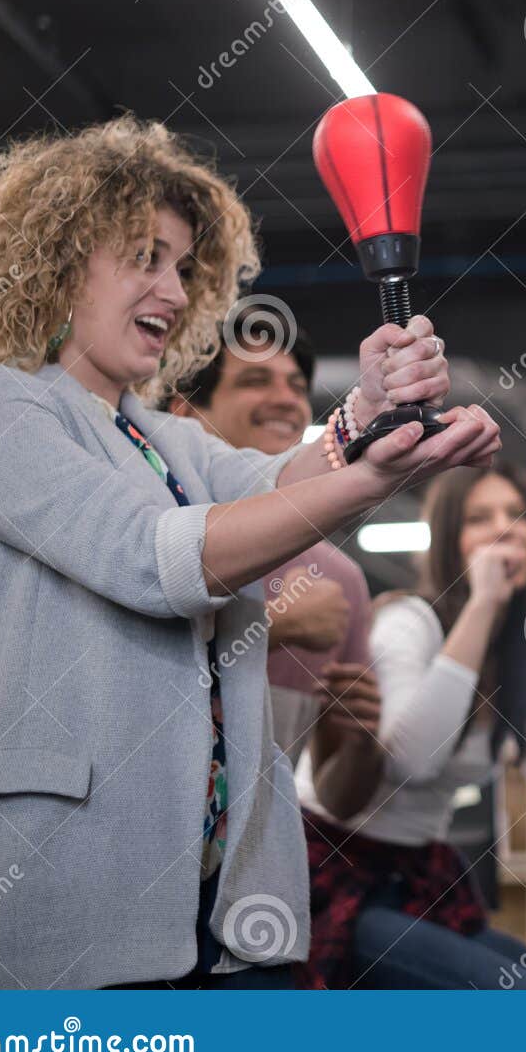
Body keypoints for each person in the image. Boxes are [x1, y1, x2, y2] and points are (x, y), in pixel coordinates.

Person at [0, 115, 500, 989]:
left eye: (185, 267)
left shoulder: (167, 441)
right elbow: (152, 559)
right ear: (60, 262)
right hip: (62, 897)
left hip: (224, 907)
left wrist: (368, 408)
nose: (173, 288)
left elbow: (279, 481)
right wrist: (371, 477)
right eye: (145, 257)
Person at [297, 462, 526, 989]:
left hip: (413, 880)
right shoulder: (409, 622)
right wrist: (484, 602)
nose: (503, 529)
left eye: (516, 515)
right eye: (479, 518)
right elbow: (413, 762)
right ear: (450, 542)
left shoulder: (520, 664)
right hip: (332, 877)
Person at [169, 312, 384, 820]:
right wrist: (275, 627)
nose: (287, 399)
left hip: (262, 851)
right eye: (254, 380)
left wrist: (362, 740)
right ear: (184, 415)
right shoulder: (152, 544)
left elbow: (340, 800)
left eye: (296, 385)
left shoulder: (340, 582)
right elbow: (125, 697)